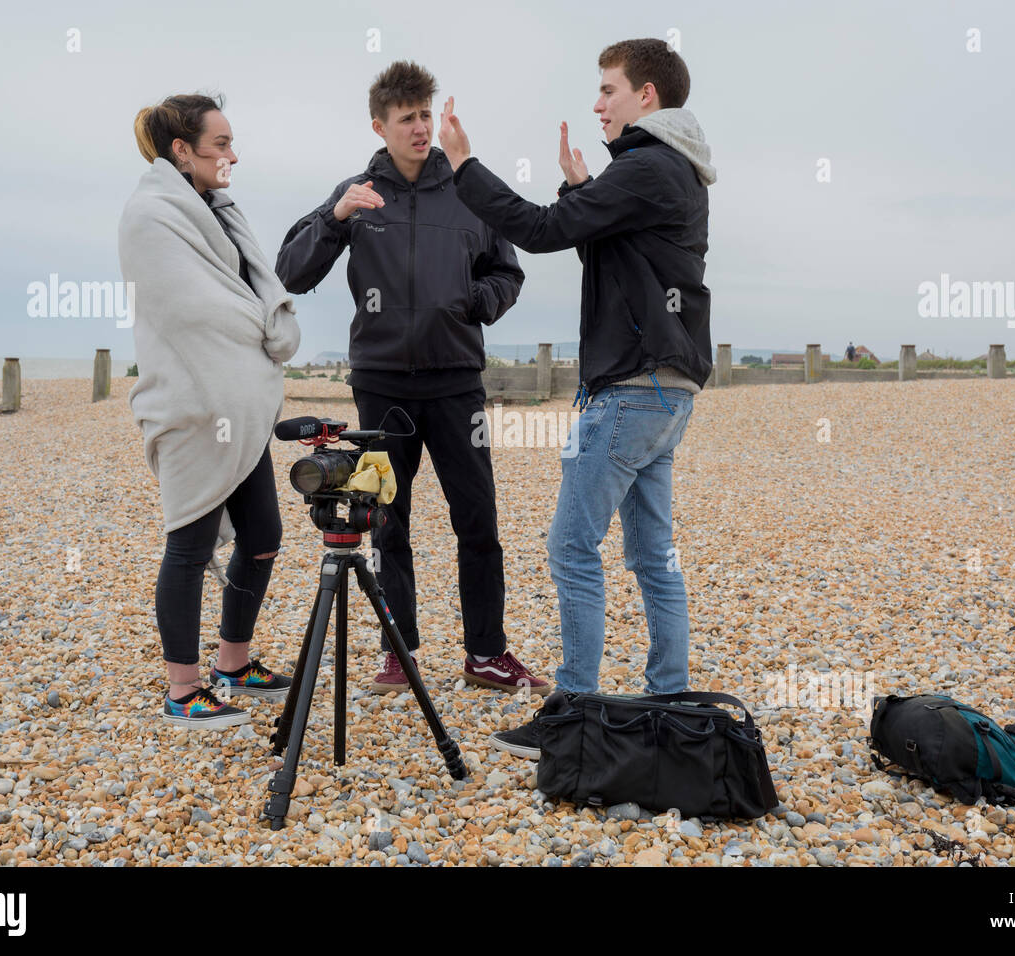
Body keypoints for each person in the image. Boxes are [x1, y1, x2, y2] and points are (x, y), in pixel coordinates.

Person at [437, 38, 715, 757]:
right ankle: (670, 696)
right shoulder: (669, 172)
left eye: (608, 89)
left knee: (571, 546)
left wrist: (465, 167)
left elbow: (541, 232)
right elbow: (600, 241)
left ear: (646, 96)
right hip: (666, 389)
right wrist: (579, 187)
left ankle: (574, 711)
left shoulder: (649, 166)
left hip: (630, 388)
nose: (597, 103)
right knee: (653, 554)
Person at [275, 61, 549, 696]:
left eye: (426, 114)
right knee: (384, 519)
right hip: (383, 382)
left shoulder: (468, 189)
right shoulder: (357, 191)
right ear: (380, 125)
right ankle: (399, 652)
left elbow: (508, 272)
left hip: (456, 379)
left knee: (477, 517)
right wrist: (336, 218)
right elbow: (291, 270)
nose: (422, 127)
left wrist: (474, 302)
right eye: (408, 118)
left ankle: (486, 654)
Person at [120, 93, 301, 729]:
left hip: (238, 406)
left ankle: (233, 662)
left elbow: (252, 285)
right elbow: (191, 310)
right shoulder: (150, 216)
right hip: (192, 402)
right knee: (190, 542)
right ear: (181, 151)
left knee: (263, 537)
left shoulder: (220, 209)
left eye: (230, 142)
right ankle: (182, 689)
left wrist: (265, 320)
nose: (231, 154)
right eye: (219, 144)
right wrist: (261, 323)